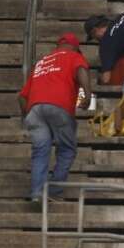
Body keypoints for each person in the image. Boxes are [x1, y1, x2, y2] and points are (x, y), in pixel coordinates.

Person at [19, 32, 91, 202]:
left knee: (40, 152)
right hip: (59, 106)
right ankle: (54, 191)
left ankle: (37, 194)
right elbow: (81, 70)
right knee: (66, 149)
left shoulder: (42, 62)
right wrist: (87, 95)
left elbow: (21, 97)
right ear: (75, 47)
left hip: (34, 110)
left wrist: (26, 117)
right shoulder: (74, 56)